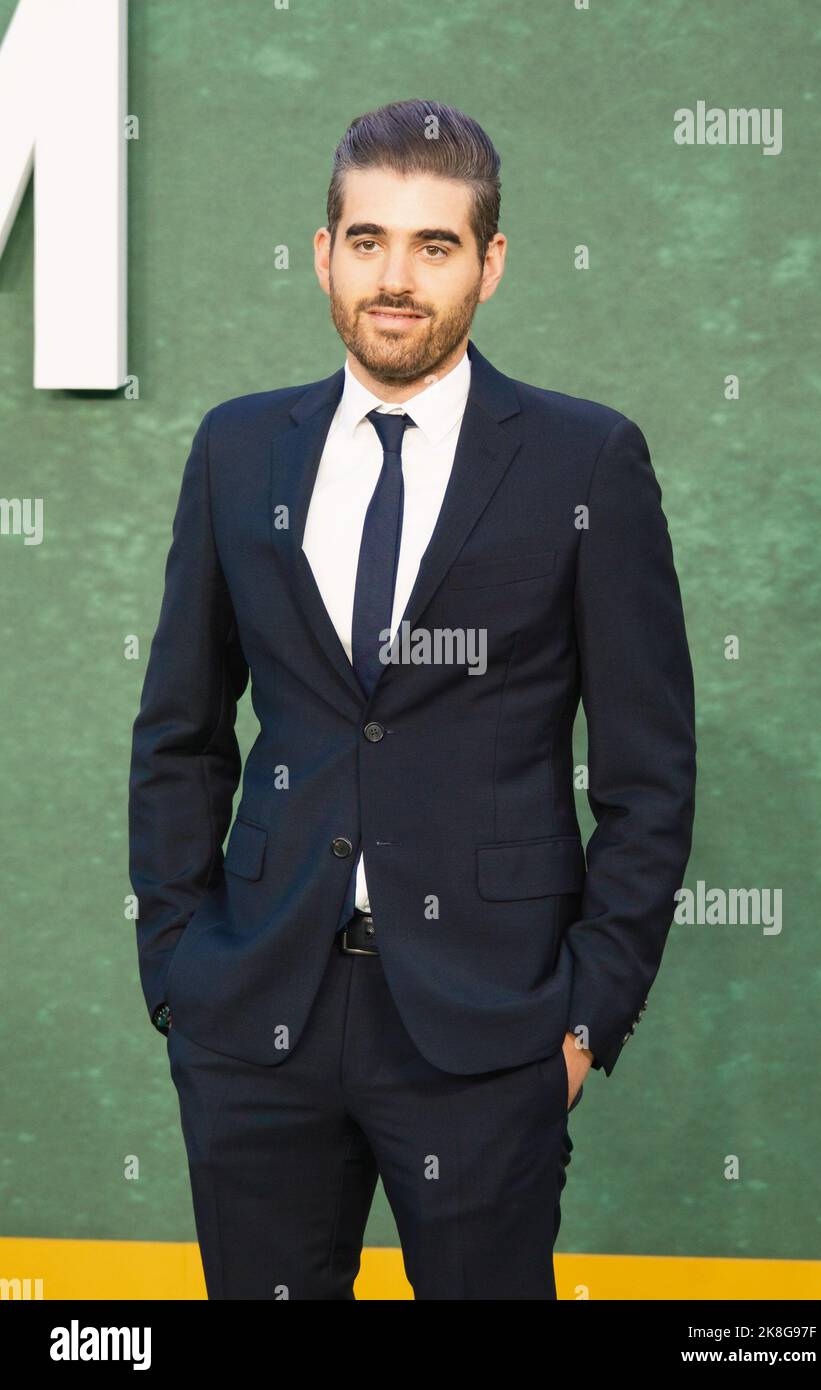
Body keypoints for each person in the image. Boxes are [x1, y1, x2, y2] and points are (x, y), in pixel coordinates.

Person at [128, 98, 696, 1300]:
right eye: (370, 238)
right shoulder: (238, 450)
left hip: (488, 1028)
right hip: (255, 1015)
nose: (397, 276)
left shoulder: (582, 460)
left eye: (434, 245)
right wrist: (179, 966)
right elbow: (180, 734)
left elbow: (647, 776)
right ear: (323, 252)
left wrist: (584, 1020)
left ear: (488, 265)